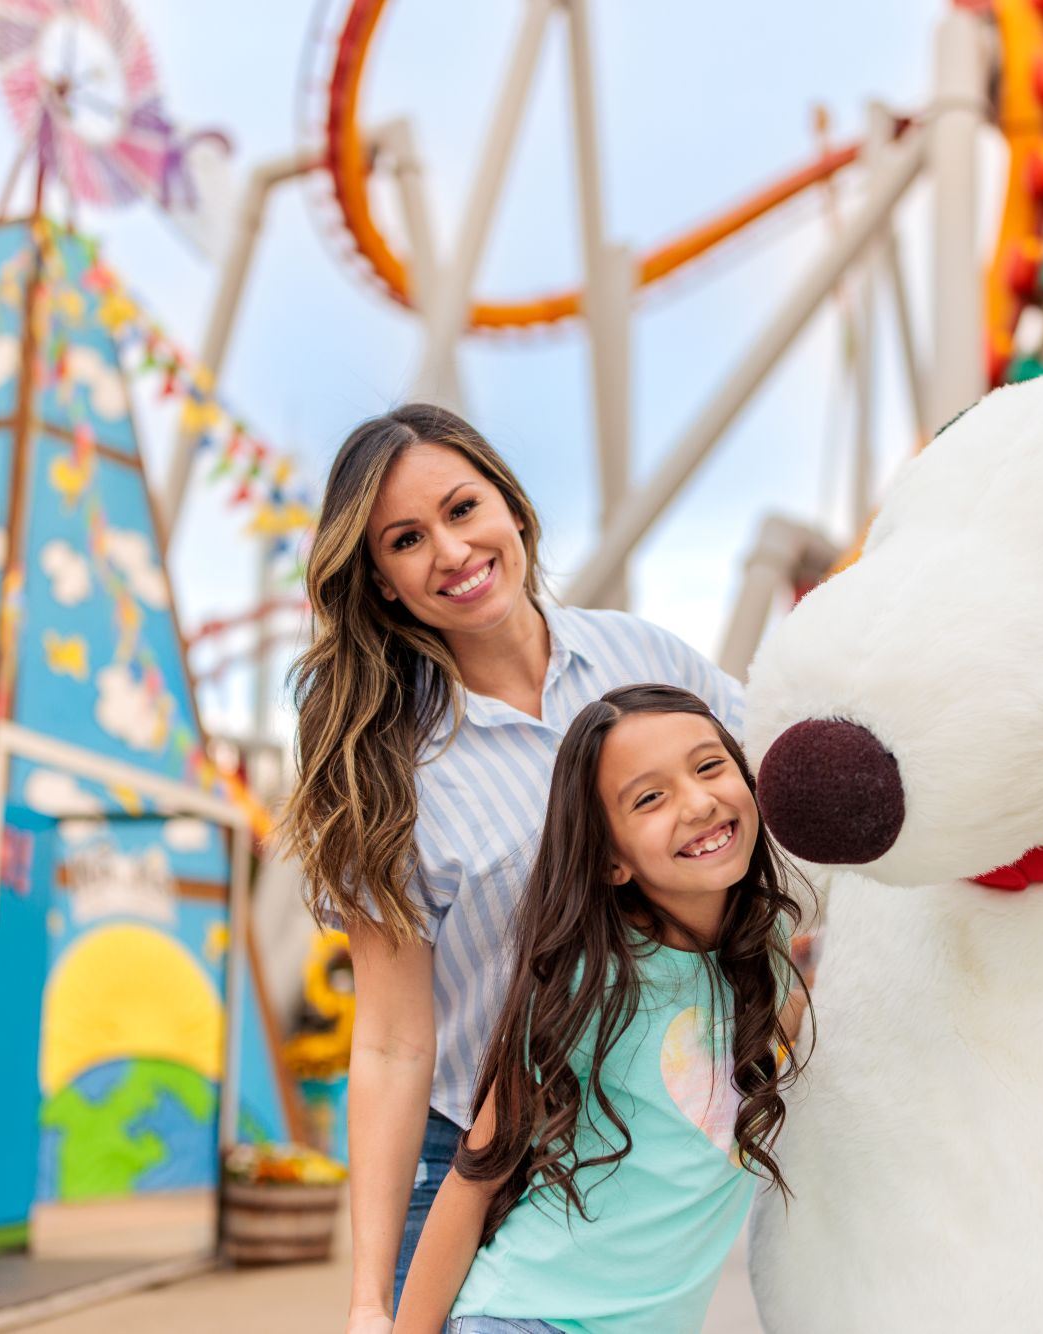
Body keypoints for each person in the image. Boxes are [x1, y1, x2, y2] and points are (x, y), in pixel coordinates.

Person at [282, 406, 745, 1334]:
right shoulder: (386, 769)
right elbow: (391, 1043)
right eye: (407, 540)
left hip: (649, 1135)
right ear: (379, 581)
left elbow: (761, 814)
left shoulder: (643, 655)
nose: (450, 551)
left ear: (514, 508)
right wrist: (371, 1299)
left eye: (463, 509)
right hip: (477, 1163)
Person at [391, 684, 810, 1334]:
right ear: (610, 858)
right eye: (650, 798)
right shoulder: (594, 983)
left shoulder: (773, 950)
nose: (698, 803)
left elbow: (762, 1057)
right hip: (526, 1318)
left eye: (708, 766)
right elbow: (475, 1179)